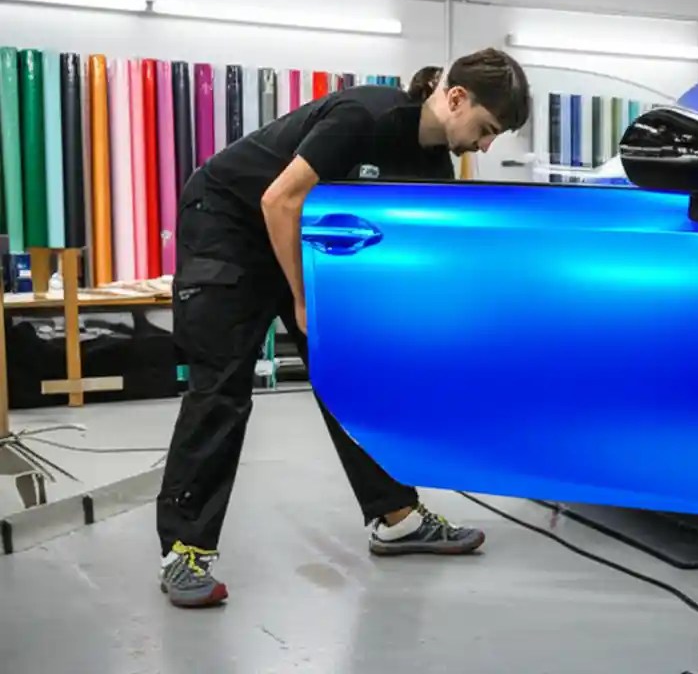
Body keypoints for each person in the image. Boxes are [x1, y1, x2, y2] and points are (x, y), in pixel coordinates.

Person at [155, 48, 531, 608]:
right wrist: (302, 300)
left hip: (299, 241)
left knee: (352, 376)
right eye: (487, 129)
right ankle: (184, 551)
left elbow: (405, 254)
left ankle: (397, 519)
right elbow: (279, 199)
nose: (485, 146)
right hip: (228, 224)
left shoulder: (433, 166)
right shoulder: (365, 117)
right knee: (221, 389)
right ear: (456, 99)